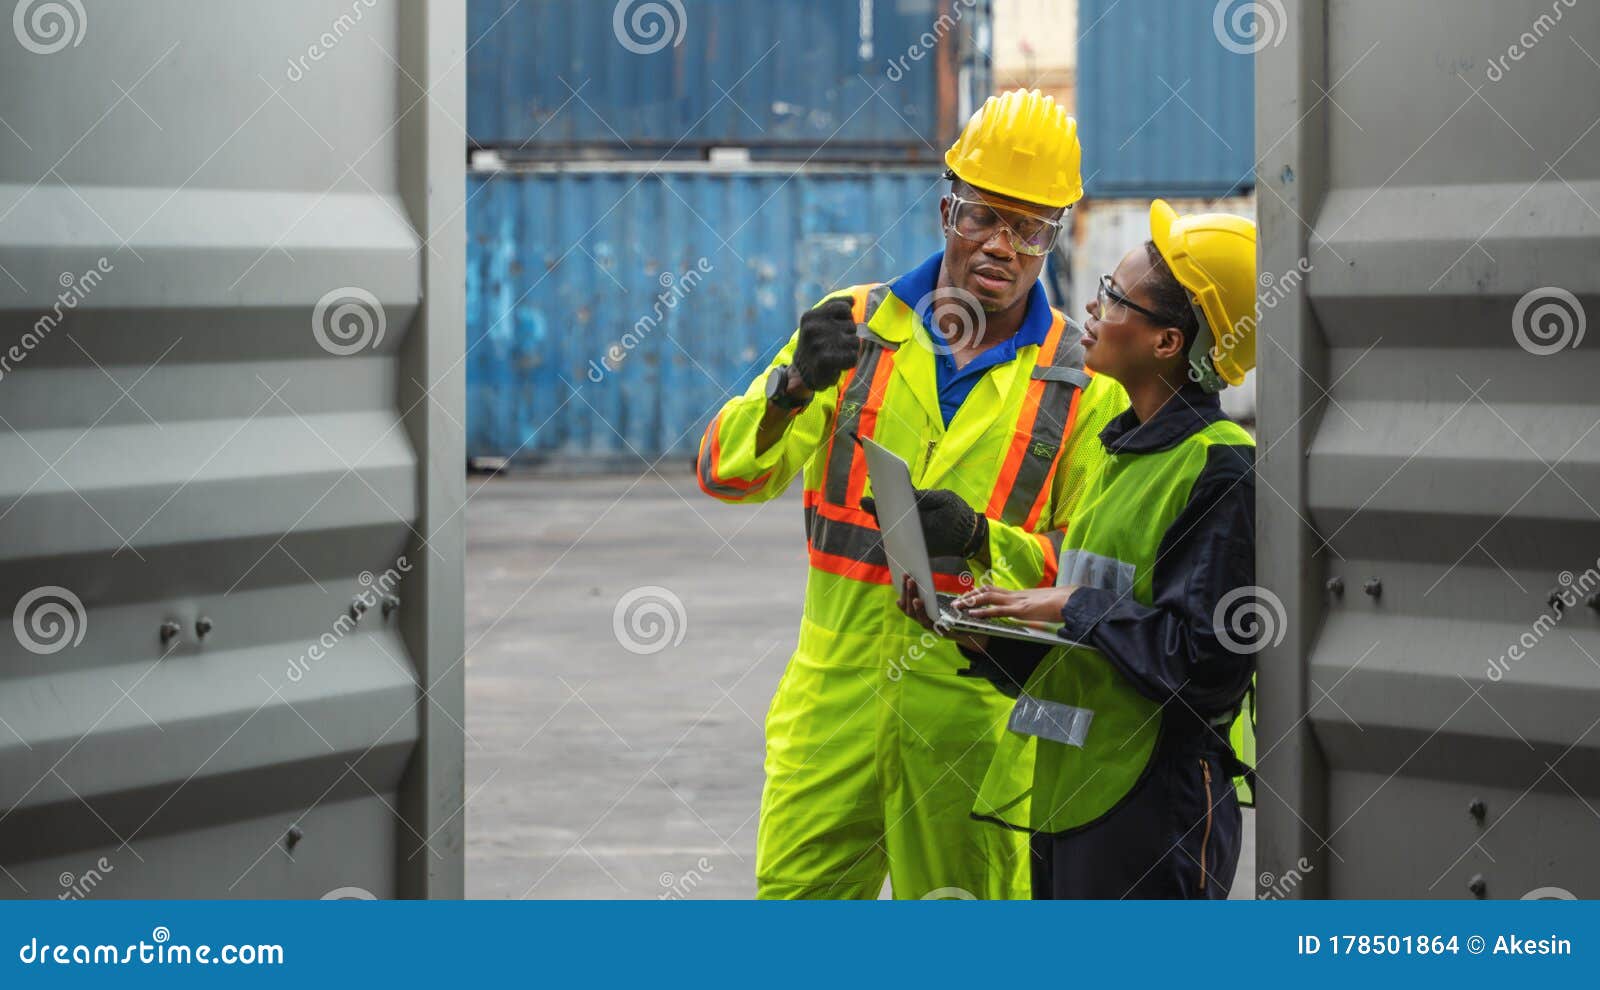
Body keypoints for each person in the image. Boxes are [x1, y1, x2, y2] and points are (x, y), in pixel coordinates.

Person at [694, 89, 1129, 899]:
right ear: (945, 210)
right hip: (832, 712)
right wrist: (789, 389)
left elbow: (1090, 571)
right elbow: (726, 474)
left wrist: (981, 540)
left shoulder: (1082, 384)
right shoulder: (851, 329)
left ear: (1053, 238)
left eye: (1029, 228)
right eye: (983, 217)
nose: (1001, 245)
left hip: (973, 725)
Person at [898, 199, 1258, 899]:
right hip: (1075, 791)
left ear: (1166, 343)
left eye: (1114, 298)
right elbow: (1092, 660)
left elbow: (1205, 667)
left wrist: (1070, 600)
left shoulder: (1221, 471)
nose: (1090, 310)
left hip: (1155, 809)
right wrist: (980, 635)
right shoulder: (1118, 454)